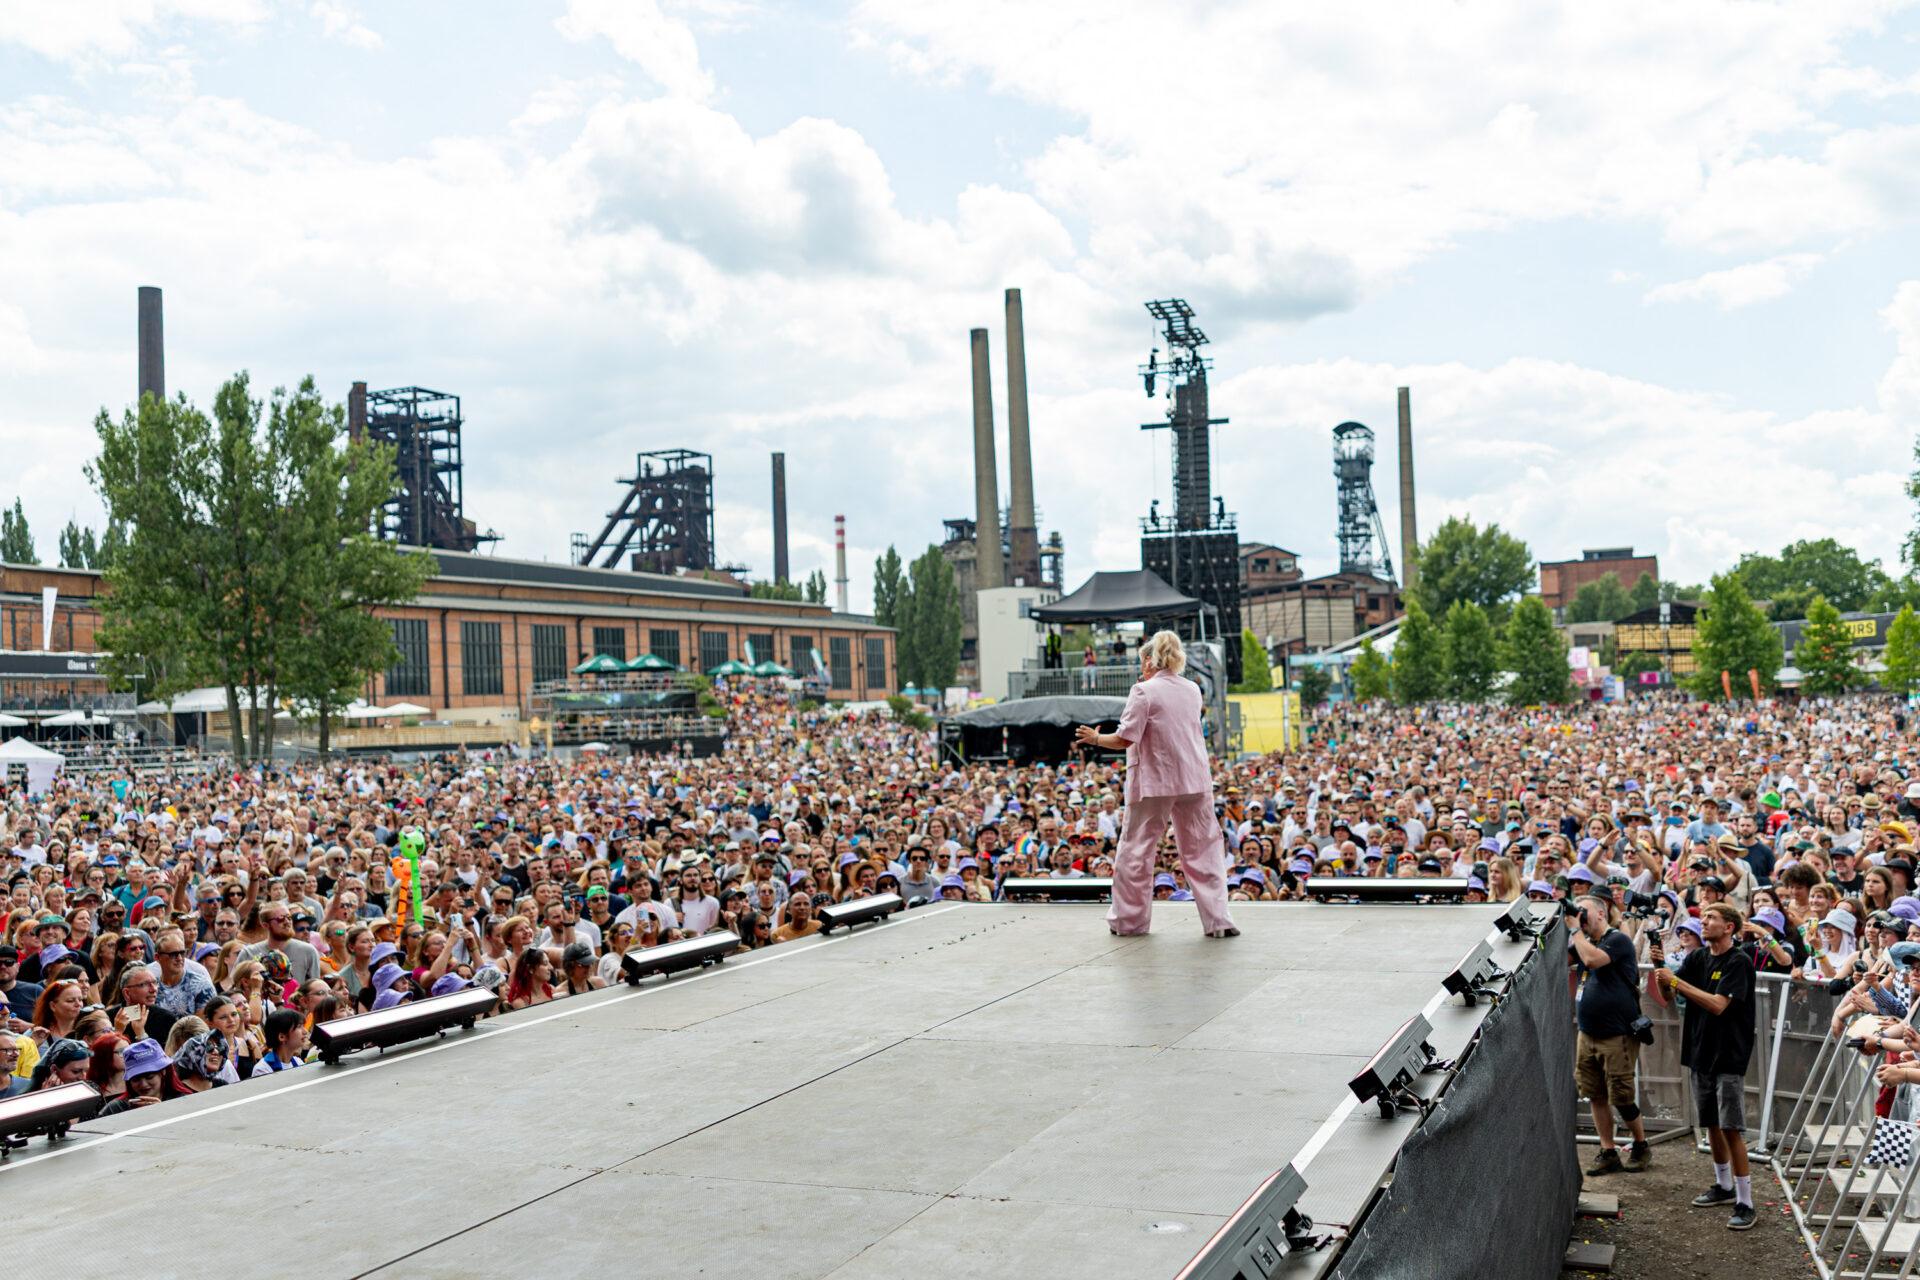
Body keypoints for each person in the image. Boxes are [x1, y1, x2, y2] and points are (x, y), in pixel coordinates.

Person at [1075, 630, 1236, 939]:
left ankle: (1129, 922)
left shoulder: (1143, 691)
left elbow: (1125, 737)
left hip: (1155, 781)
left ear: (1148, 659)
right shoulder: (1192, 689)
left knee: (1136, 851)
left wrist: (1095, 738)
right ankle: (1219, 921)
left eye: (1142, 662)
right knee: (1203, 850)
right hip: (1194, 779)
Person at [1653, 902, 1758, 1231]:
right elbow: (1667, 997)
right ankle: (1723, 1186)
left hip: (1728, 1054)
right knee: (1710, 1122)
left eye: (1711, 918)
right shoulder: (1697, 958)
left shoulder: (1738, 962)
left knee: (1731, 1127)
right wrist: (1660, 970)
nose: (1704, 923)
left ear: (1729, 927)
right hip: (1700, 1051)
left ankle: (1746, 1202)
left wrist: (1674, 981)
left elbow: (1717, 1005)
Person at [1569, 895, 1652, 1174]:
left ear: (1602, 914)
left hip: (1616, 1033)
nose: (1580, 916)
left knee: (1622, 1096)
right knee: (1595, 1094)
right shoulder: (1584, 942)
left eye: (1585, 911)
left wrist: (1574, 930)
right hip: (1588, 1033)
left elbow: (1593, 961)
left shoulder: (1617, 940)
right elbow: (1562, 958)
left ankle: (1640, 1145)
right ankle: (1608, 1150)